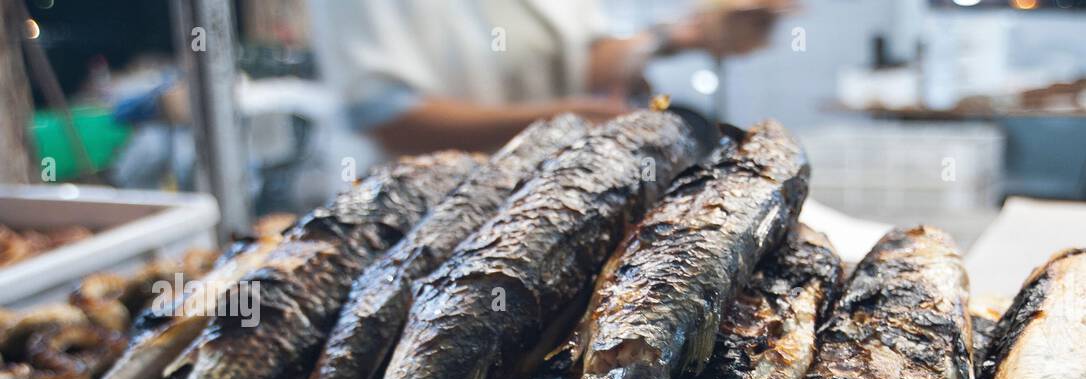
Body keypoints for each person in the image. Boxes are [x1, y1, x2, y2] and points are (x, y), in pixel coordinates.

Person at [308, 0, 789, 154]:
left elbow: (584, 63)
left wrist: (688, 34)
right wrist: (561, 120)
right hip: (421, 219)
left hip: (550, 196)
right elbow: (387, 115)